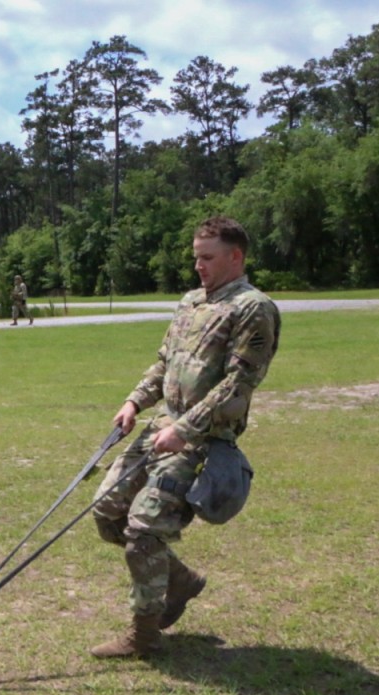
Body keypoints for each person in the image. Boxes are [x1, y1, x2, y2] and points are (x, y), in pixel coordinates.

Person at [88, 216, 281, 658]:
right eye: (196, 257)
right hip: (161, 428)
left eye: (207, 258)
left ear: (236, 257)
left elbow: (238, 384)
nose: (198, 266)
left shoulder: (253, 308)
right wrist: (134, 402)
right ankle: (180, 580)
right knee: (106, 512)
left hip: (202, 440)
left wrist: (185, 429)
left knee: (143, 530)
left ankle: (143, 635)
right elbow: (164, 362)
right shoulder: (191, 302)